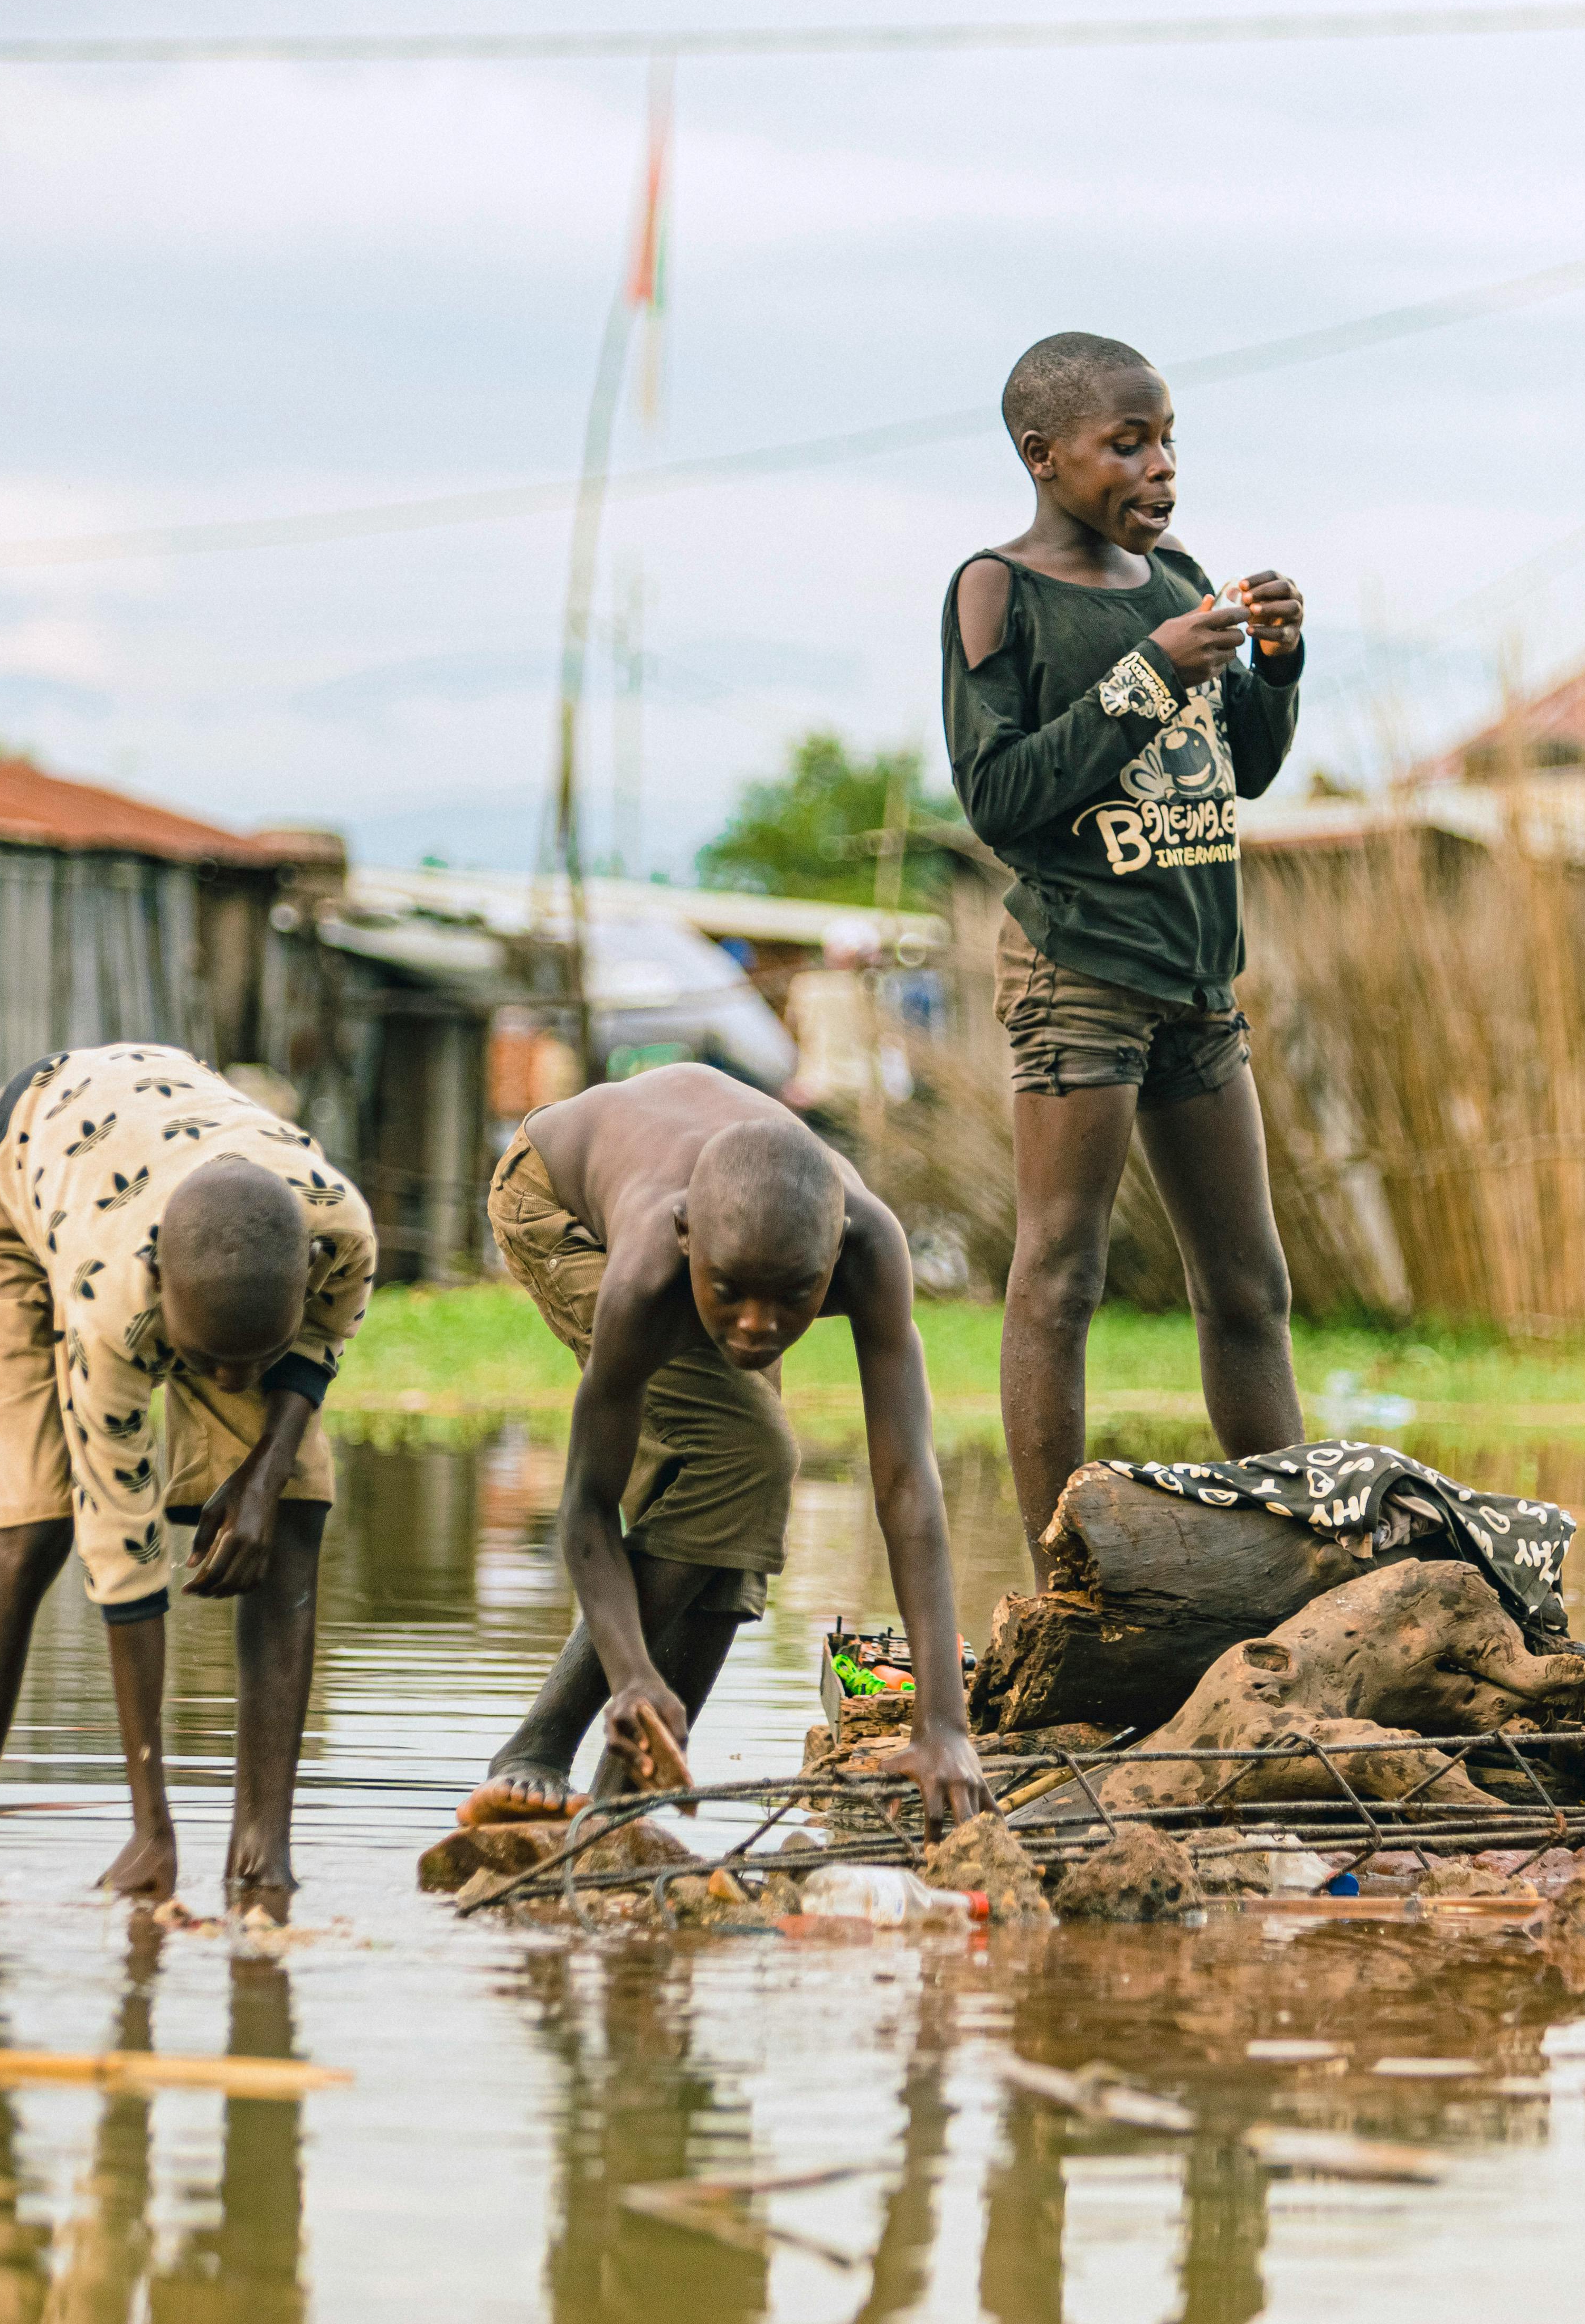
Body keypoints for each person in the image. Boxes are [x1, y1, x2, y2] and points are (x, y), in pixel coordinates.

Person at [944, 329, 1309, 1567]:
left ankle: (1295, 1558)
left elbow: (1244, 769)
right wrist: (1152, 672)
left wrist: (1276, 663)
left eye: (1168, 442)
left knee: (1250, 1285)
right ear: (1044, 456)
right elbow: (1000, 797)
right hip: (1080, 971)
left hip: (1198, 984)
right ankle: (1062, 1577)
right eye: (1128, 443)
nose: (1161, 468)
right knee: (1063, 1274)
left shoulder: (1179, 581)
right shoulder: (997, 592)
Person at [457, 1061, 986, 1832]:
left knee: (742, 1510)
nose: (756, 1328)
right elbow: (586, 1505)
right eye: (730, 1296)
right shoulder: (648, 1271)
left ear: (834, 1256)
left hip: (730, 1222)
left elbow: (909, 1483)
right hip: (555, 1193)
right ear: (688, 1241)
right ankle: (538, 1746)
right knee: (749, 1455)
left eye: (793, 1299)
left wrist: (943, 1725)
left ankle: (622, 1802)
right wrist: (631, 1674)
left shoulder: (869, 1248)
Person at [0, 1044, 375, 1915]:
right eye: (208, 1361)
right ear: (161, 1289)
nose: (232, 1385)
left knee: (292, 1510)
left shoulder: (340, 1229)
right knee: (30, 1527)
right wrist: (149, 1822)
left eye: (255, 1358)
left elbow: (321, 1335)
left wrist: (265, 1472)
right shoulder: (112, 1303)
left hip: (180, 1162)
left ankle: (263, 1857)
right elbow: (121, 1542)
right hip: (24, 1179)